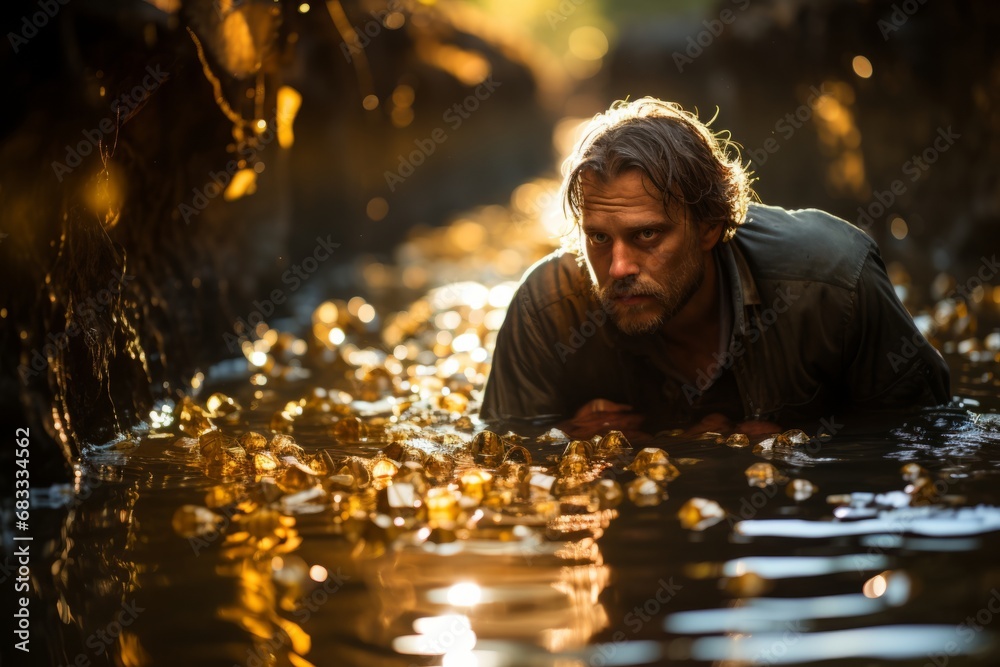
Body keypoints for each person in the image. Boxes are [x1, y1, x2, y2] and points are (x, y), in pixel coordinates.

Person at [481, 97, 951, 437]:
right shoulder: (547, 311)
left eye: (647, 235)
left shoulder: (833, 283)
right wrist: (566, 440)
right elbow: (497, 461)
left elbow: (932, 438)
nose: (619, 267)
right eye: (599, 238)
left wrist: (807, 444)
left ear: (710, 227)